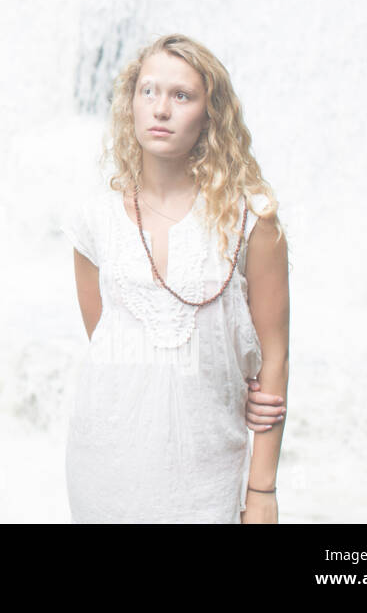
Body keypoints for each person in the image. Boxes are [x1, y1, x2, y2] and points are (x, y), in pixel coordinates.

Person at [63, 33, 289, 523]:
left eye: (181, 96)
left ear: (211, 115)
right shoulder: (94, 219)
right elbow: (106, 337)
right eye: (148, 92)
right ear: (131, 103)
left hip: (207, 472)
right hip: (105, 464)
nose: (160, 109)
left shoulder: (252, 222)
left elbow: (274, 355)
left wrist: (262, 490)